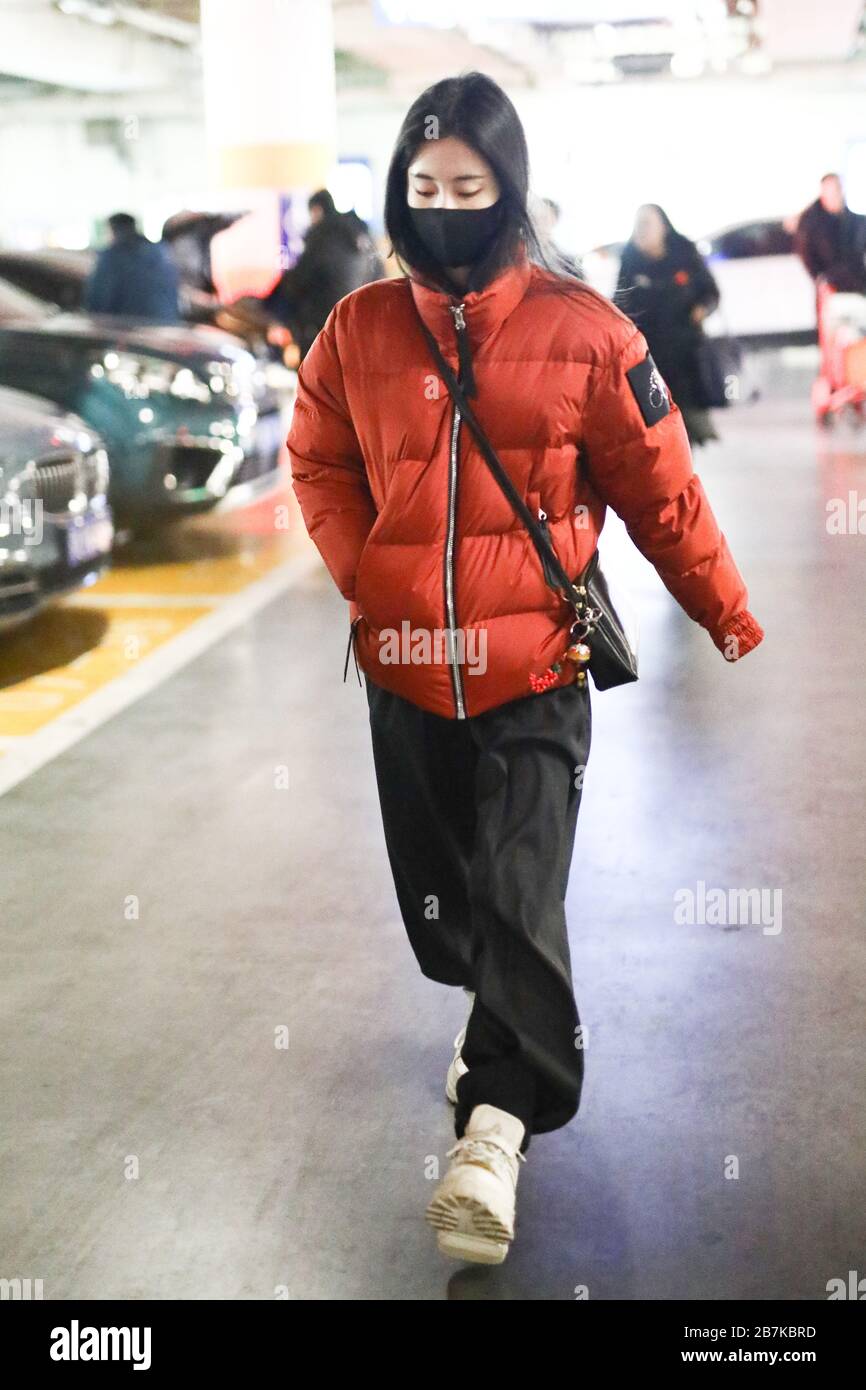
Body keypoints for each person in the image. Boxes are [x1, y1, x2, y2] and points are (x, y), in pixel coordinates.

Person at [286, 72, 763, 1266]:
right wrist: (369, 579)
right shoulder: (357, 330)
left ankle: (493, 1130)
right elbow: (318, 464)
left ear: (507, 193)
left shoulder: (583, 330)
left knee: (518, 893)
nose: (442, 207)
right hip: (406, 667)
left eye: (468, 188)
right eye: (422, 187)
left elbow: (662, 490)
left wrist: (723, 607)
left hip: (533, 669)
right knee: (446, 909)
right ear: (399, 192)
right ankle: (492, 1003)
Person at [615, 204, 721, 446]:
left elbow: (710, 291)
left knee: (686, 417)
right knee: (655, 419)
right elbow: (620, 300)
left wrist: (701, 309)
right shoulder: (630, 257)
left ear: (663, 226)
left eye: (647, 224)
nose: (641, 230)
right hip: (648, 353)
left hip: (685, 349)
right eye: (638, 224)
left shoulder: (684, 251)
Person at [262, 188, 385, 358]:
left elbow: (299, 279)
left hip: (324, 323)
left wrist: (271, 304)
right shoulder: (359, 231)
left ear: (316, 210)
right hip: (361, 322)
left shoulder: (323, 234)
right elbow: (379, 273)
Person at [83, 212, 180, 323]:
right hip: (167, 326)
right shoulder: (160, 252)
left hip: (127, 331)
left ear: (112, 230)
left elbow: (98, 301)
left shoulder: (112, 258)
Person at [794, 173, 866, 293]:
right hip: (831, 289)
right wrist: (822, 280)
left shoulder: (857, 222)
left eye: (838, 189)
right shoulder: (812, 226)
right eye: (831, 191)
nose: (836, 195)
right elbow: (807, 256)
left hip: (859, 286)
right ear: (823, 195)